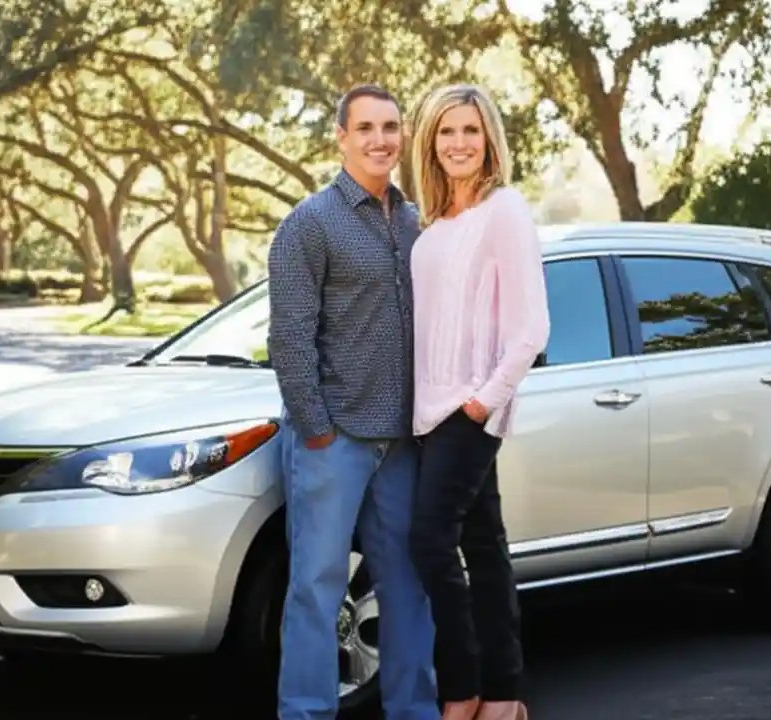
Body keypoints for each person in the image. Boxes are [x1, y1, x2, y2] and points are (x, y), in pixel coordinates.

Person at [267, 83, 439, 720]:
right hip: (332, 440)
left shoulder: (420, 222)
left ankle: (415, 709)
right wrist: (314, 429)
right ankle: (306, 712)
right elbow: (288, 336)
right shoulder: (308, 224)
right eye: (364, 127)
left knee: (408, 586)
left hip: (402, 443)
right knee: (316, 588)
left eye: (390, 126)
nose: (379, 139)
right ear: (340, 137)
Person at [407, 84, 550, 720]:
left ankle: (461, 694)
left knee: (430, 542)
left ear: (489, 137)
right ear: (430, 143)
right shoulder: (434, 220)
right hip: (427, 413)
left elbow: (531, 329)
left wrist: (480, 403)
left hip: (468, 410)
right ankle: (506, 696)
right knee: (485, 548)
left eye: (469, 131)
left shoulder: (505, 210)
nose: (458, 144)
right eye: (446, 132)